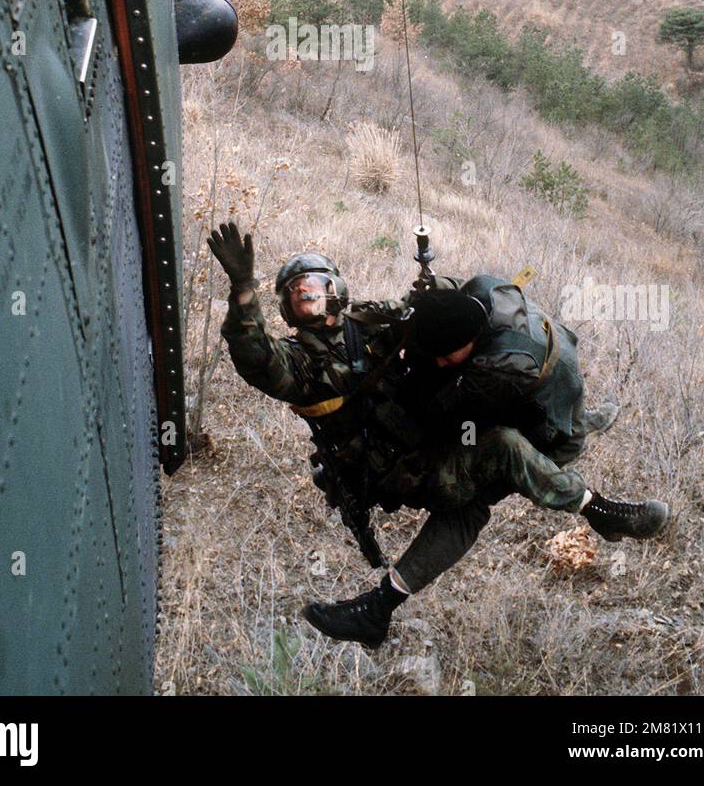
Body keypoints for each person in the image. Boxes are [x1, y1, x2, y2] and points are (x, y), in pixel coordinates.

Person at [207, 222, 670, 649]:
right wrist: (244, 291)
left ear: (336, 288)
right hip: (399, 468)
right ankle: (600, 510)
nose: (308, 300)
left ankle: (378, 609)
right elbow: (255, 358)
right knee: (501, 446)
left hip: (432, 432)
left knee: (473, 487)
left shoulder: (365, 324)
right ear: (286, 308)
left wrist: (429, 295)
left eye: (315, 288)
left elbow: (416, 314)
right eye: (297, 296)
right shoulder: (300, 364)